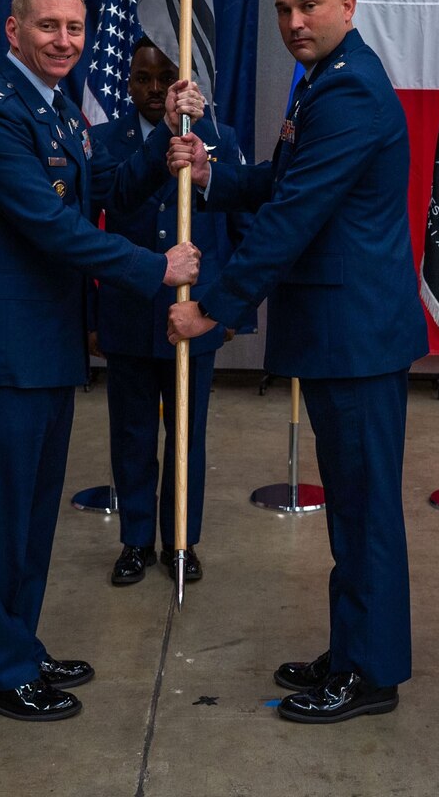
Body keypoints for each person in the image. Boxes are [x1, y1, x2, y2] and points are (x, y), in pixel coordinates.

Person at [166, 0, 428, 724]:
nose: (293, 23)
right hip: (341, 334)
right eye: (283, 10)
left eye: (309, 6)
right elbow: (286, 180)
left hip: (356, 338)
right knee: (352, 507)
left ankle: (370, 674)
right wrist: (214, 176)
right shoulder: (330, 80)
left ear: (348, 5)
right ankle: (354, 650)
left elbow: (294, 216)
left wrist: (214, 307)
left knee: (364, 512)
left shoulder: (348, 88)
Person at [0, 0, 203, 722]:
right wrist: (156, 269)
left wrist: (161, 156)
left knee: (28, 517)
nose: (64, 40)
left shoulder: (56, 111)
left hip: (48, 349)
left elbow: (97, 197)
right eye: (49, 26)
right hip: (5, 353)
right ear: (14, 32)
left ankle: (17, 646)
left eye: (75, 27)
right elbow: (53, 229)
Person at [87, 38, 248, 587]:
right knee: (131, 435)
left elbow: (239, 226)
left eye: (165, 77)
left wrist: (232, 312)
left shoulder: (219, 138)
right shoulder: (104, 139)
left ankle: (182, 539)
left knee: (187, 434)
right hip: (131, 314)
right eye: (143, 79)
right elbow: (115, 204)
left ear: (185, 79)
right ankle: (135, 540)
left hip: (195, 313)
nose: (155, 89)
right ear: (127, 83)